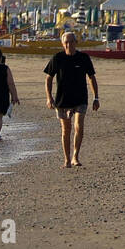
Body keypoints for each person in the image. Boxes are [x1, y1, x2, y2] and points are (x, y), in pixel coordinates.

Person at [43, 31, 99, 168]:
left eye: (71, 42)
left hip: (80, 98)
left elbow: (91, 77)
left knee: (78, 126)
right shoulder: (57, 58)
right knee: (66, 130)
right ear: (63, 44)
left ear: (76, 42)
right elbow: (48, 78)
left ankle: (75, 156)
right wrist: (49, 97)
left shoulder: (84, 58)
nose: (69, 45)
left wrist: (96, 97)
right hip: (63, 99)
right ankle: (67, 159)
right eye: (66, 42)